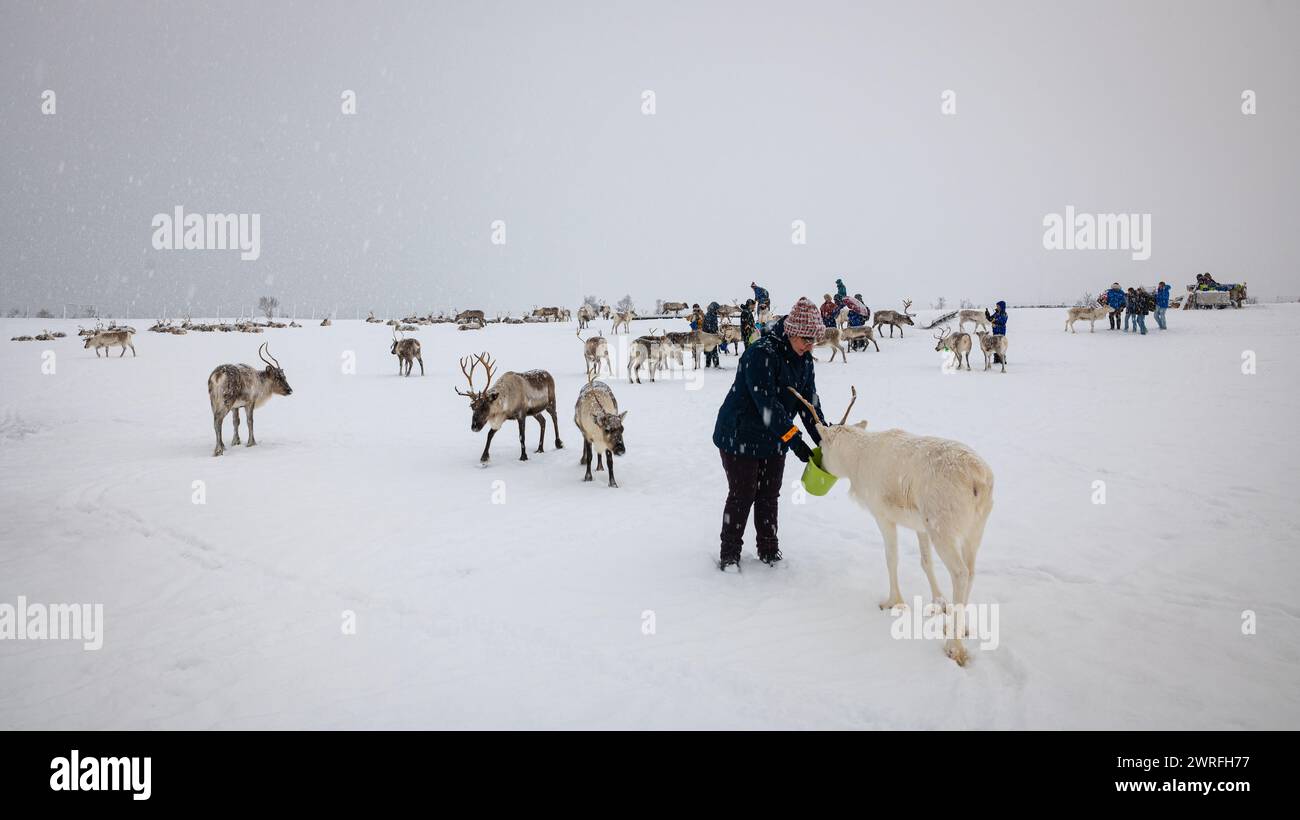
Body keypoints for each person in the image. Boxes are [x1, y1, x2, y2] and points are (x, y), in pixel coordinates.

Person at [712, 298, 828, 568]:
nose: (810, 347)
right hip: (740, 433)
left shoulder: (805, 360)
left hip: (774, 436)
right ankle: (729, 555)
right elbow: (766, 404)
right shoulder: (761, 353)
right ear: (791, 332)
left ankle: (768, 549)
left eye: (814, 341)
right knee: (743, 493)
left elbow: (808, 403)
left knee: (769, 493)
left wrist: (826, 438)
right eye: (805, 340)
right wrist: (795, 440)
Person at [702, 301, 722, 368]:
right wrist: (715, 332)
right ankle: (715, 364)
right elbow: (710, 327)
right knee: (713, 350)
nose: (717, 310)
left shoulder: (712, 314)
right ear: (713, 308)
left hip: (709, 336)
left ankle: (709, 364)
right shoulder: (710, 315)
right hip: (710, 336)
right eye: (716, 309)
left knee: (710, 350)